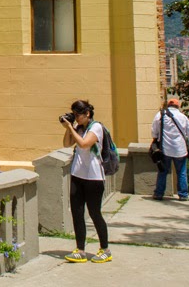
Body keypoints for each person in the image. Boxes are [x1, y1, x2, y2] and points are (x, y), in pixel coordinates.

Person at [60, 100, 112, 264]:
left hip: (94, 177)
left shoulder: (95, 127)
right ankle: (80, 249)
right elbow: (67, 143)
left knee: (95, 213)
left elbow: (83, 144)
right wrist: (69, 128)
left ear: (87, 113)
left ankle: (105, 249)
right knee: (77, 212)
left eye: (77, 115)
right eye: (73, 115)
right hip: (78, 175)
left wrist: (70, 127)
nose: (76, 118)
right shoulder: (79, 128)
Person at [151, 97, 189, 201]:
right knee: (181, 172)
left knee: (162, 171)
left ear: (168, 105)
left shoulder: (160, 114)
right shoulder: (183, 117)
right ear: (178, 106)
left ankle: (159, 194)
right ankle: (183, 195)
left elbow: (154, 130)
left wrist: (156, 138)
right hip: (180, 149)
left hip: (165, 148)